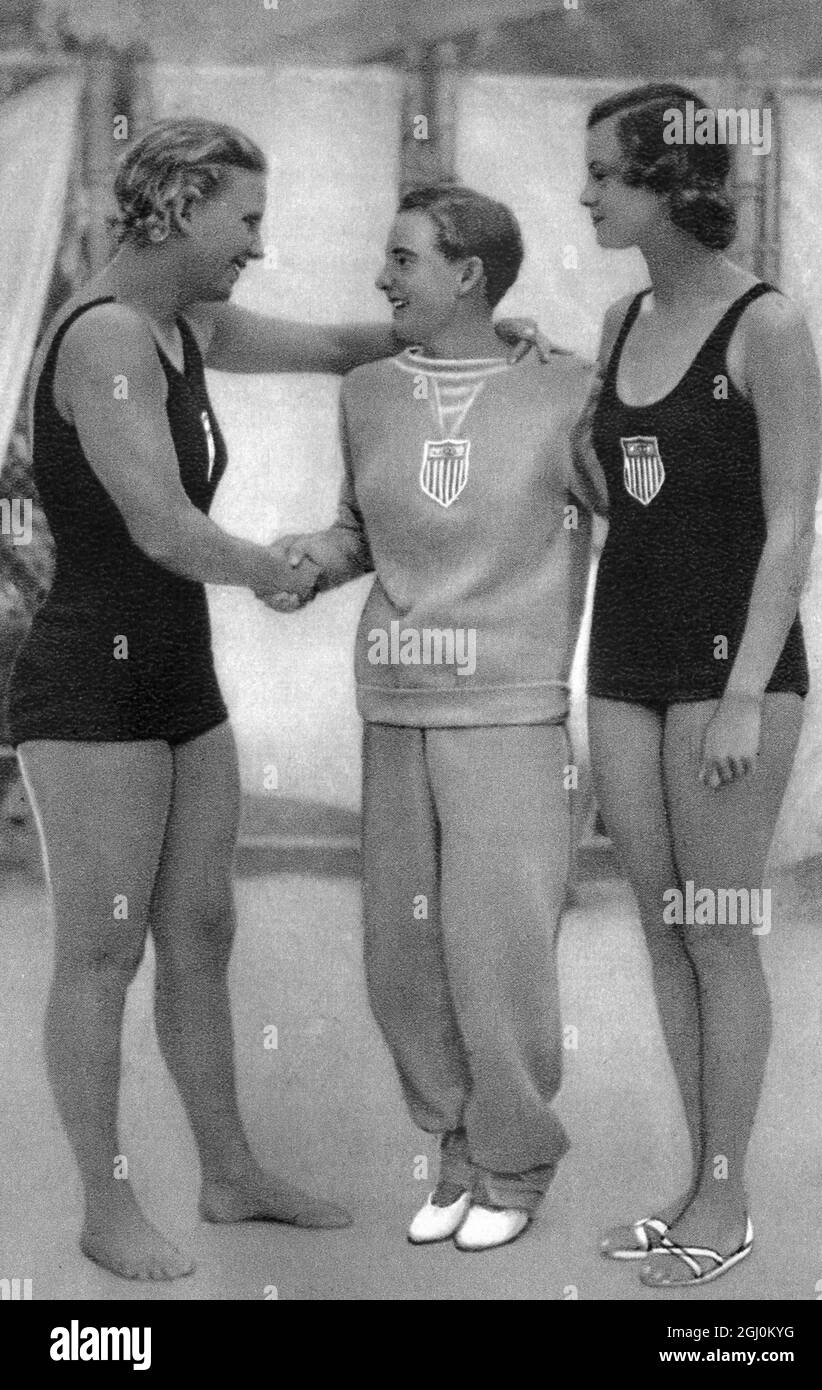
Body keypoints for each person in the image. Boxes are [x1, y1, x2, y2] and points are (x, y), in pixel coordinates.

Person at [5, 119, 549, 1282]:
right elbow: (163, 527)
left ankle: (230, 1170)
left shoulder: (181, 322)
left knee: (200, 932)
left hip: (175, 674)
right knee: (99, 952)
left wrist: (484, 336)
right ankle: (104, 1205)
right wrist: (290, 566)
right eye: (245, 219)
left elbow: (338, 344)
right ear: (181, 205)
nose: (259, 243)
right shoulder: (104, 336)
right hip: (87, 685)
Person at [272, 183, 602, 1251]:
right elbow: (356, 529)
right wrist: (309, 562)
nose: (381, 277)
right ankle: (458, 1142)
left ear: (469, 275)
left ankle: (517, 1158)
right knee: (399, 959)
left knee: (495, 951)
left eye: (403, 258)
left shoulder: (571, 393)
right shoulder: (367, 391)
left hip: (510, 710)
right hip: (395, 699)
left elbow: (646, 519)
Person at [577, 84, 822, 1286]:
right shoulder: (623, 318)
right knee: (664, 927)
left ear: (673, 184)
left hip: (736, 669)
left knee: (720, 931)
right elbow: (610, 482)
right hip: (623, 657)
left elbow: (790, 528)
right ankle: (693, 1178)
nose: (585, 195)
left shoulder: (767, 324)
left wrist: (739, 694)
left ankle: (727, 1195)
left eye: (606, 177)